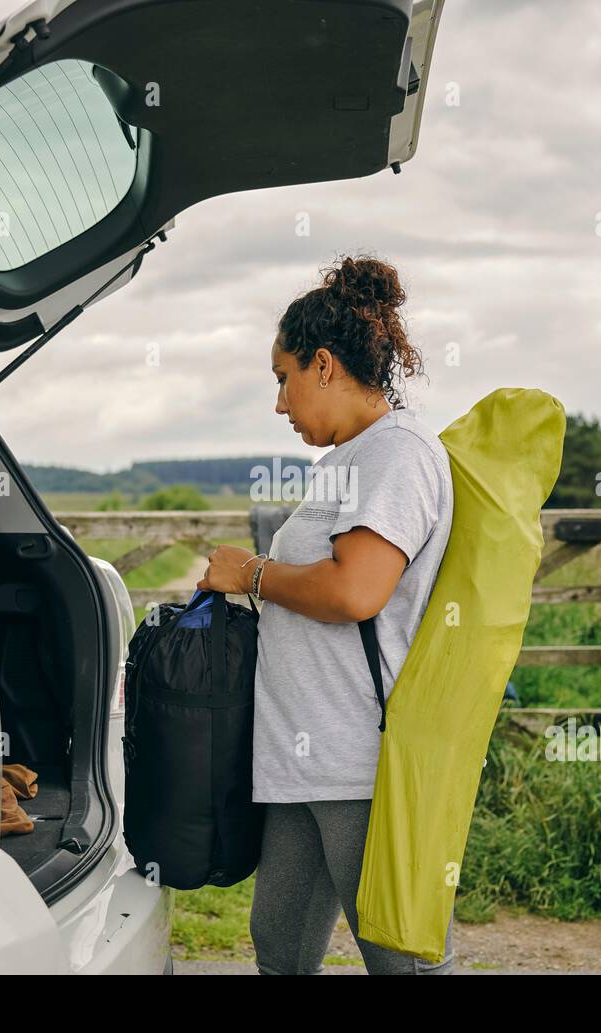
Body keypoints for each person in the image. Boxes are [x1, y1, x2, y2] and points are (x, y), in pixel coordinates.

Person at [197, 255, 456, 974]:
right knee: (279, 947)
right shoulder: (349, 459)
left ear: (322, 364)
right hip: (304, 759)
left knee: (401, 959)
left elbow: (355, 592)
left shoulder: (396, 454)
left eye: (283, 379)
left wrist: (250, 573)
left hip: (355, 760)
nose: (280, 404)